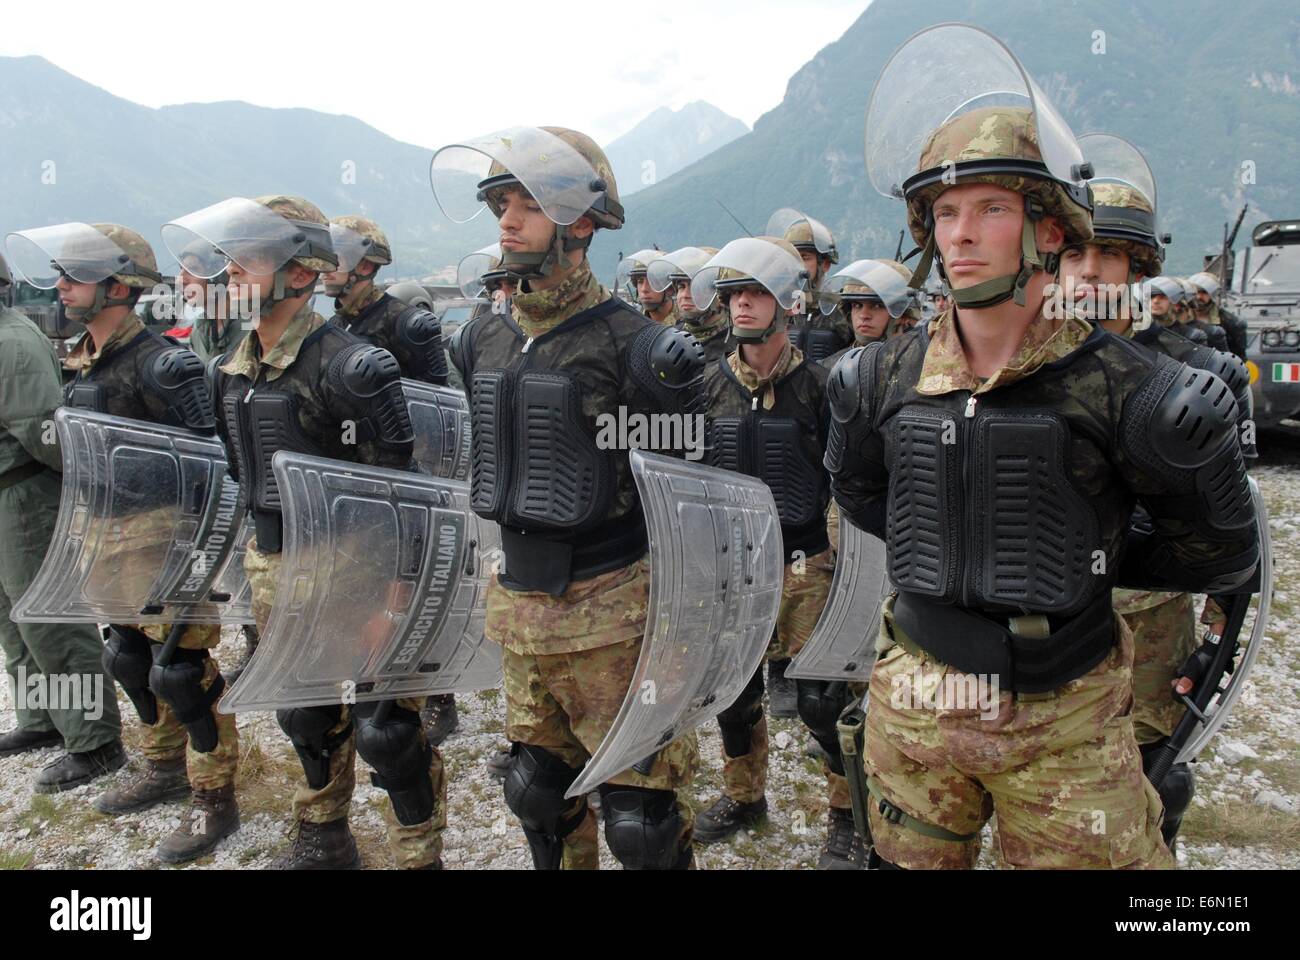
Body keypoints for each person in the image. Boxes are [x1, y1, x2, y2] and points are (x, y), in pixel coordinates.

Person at [829, 24, 1256, 868]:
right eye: (945, 213)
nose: (959, 234)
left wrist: (1079, 552)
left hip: (1065, 713)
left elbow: (1218, 554)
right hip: (916, 697)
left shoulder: (1130, 387)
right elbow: (865, 497)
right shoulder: (881, 378)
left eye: (990, 208)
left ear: (1049, 232)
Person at [433, 125, 707, 869]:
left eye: (528, 203)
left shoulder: (638, 351)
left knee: (641, 820)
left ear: (582, 222)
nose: (507, 220)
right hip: (519, 610)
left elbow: (689, 503)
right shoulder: (481, 341)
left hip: (614, 617)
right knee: (537, 792)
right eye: (500, 203)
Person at [167, 195, 446, 869]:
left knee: (389, 731)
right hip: (277, 568)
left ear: (298, 273)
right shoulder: (228, 372)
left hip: (363, 572)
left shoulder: (353, 369)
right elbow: (244, 482)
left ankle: (420, 854)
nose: (227, 273)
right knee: (304, 713)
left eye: (246, 259)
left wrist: (395, 606)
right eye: (225, 259)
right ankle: (324, 833)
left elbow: (411, 499)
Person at [692, 236, 859, 868]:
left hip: (805, 560)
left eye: (756, 293)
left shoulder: (821, 387)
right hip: (735, 567)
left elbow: (852, 482)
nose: (741, 306)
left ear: (784, 304)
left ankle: (847, 814)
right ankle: (746, 797)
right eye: (734, 294)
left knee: (820, 697)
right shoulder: (706, 388)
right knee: (734, 692)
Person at [0, 249, 125, 794]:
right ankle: (45, 720)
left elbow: (47, 435)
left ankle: (95, 742)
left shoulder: (12, 343)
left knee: (50, 620)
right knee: (14, 623)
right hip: (8, 495)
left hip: (26, 496)